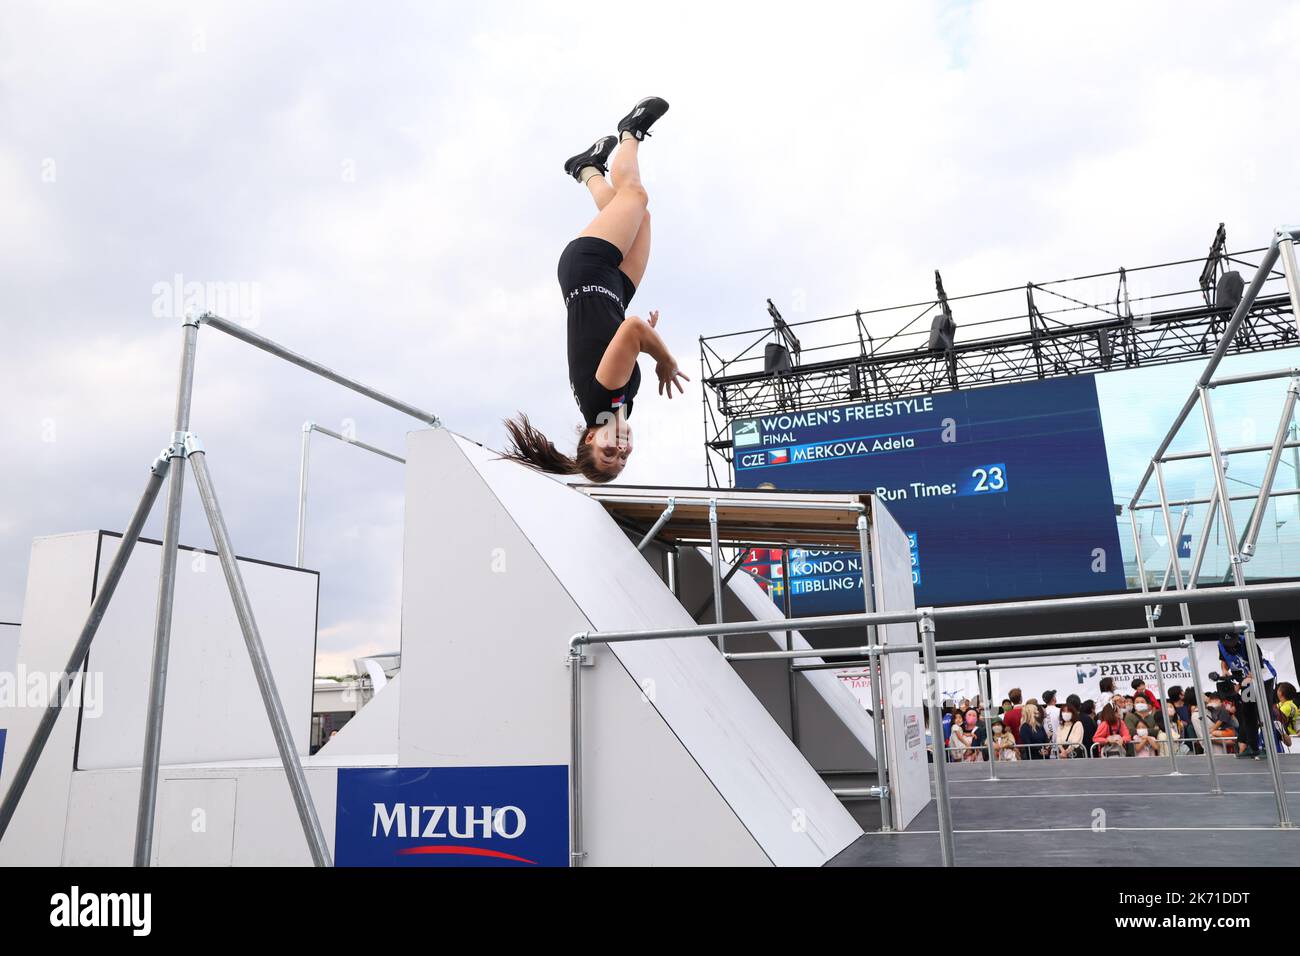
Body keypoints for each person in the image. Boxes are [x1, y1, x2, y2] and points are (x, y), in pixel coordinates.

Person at [503, 97, 688, 483]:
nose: (619, 450)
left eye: (608, 453)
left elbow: (633, 330)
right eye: (623, 459)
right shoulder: (622, 406)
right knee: (640, 215)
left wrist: (664, 359)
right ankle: (586, 169)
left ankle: (630, 131)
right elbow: (629, 333)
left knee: (636, 198)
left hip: (587, 268)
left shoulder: (601, 400)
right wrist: (647, 336)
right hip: (614, 290)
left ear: (590, 436)